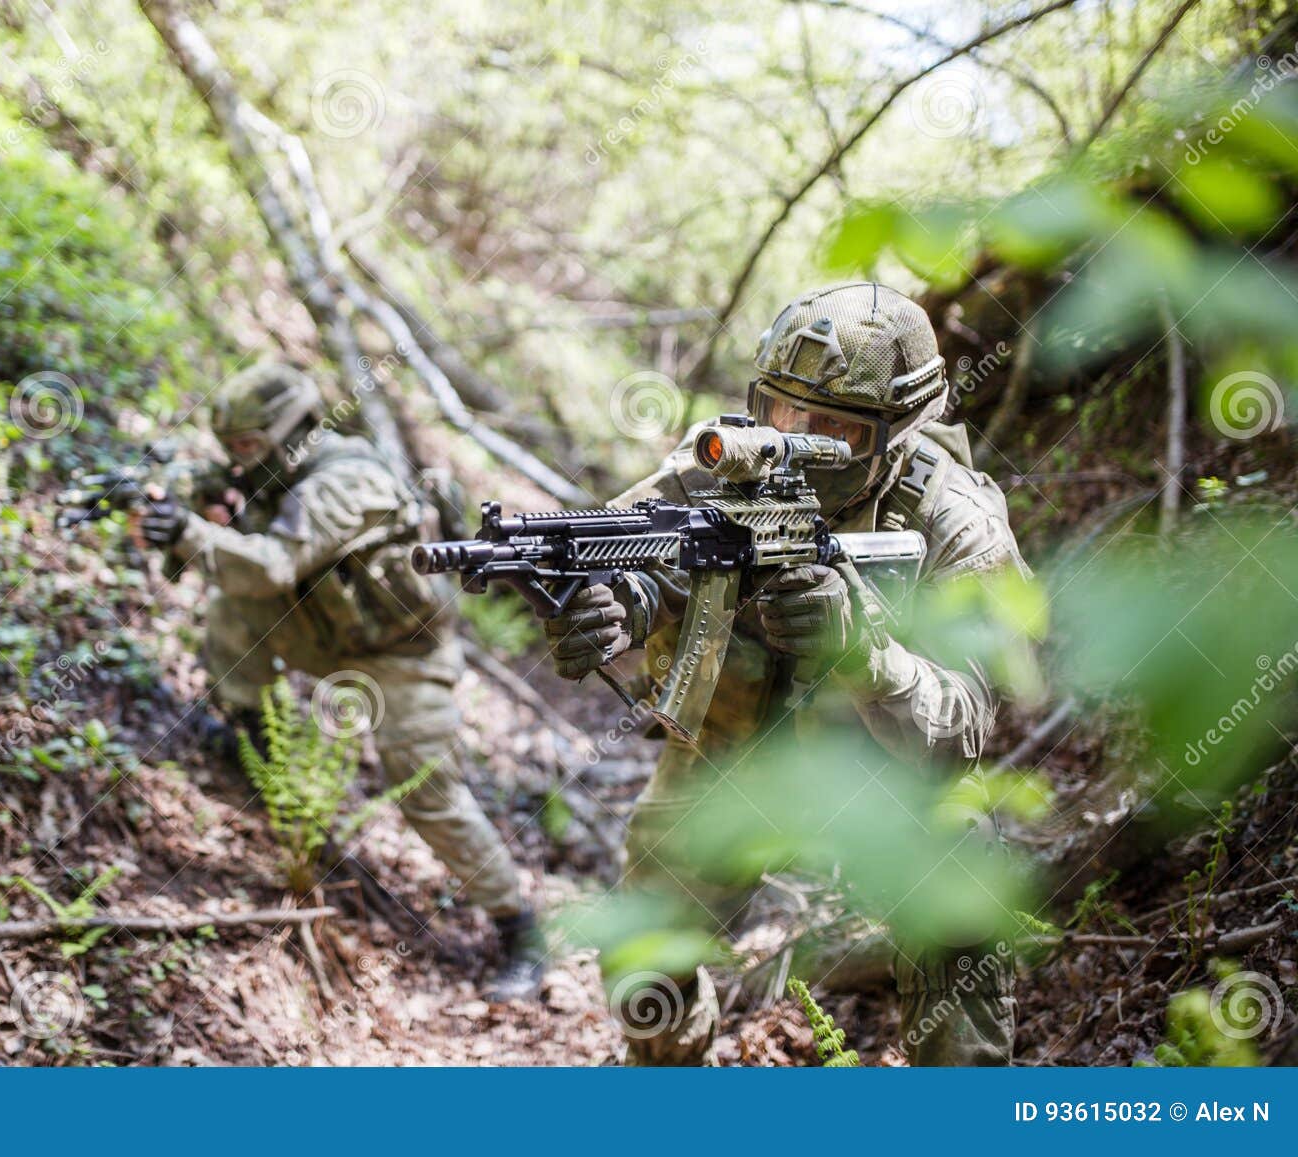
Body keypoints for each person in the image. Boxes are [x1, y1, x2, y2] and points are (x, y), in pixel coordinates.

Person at [545, 282, 1031, 1064]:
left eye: (834, 428)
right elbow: (641, 551)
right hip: (733, 757)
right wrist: (615, 606)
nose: (794, 439)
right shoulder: (724, 464)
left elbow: (974, 718)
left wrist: (870, 653)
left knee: (961, 922)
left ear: (897, 431)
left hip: (891, 776)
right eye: (778, 411)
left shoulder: (954, 522)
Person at [141, 362, 547, 1002]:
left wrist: (193, 534)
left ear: (292, 431)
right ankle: (253, 742)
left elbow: (275, 561)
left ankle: (518, 930)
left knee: (426, 793)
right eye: (233, 449)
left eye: (249, 447)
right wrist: (184, 505)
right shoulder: (281, 474)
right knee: (230, 604)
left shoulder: (344, 482)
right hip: (324, 634)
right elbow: (235, 536)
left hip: (403, 656)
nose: (239, 460)